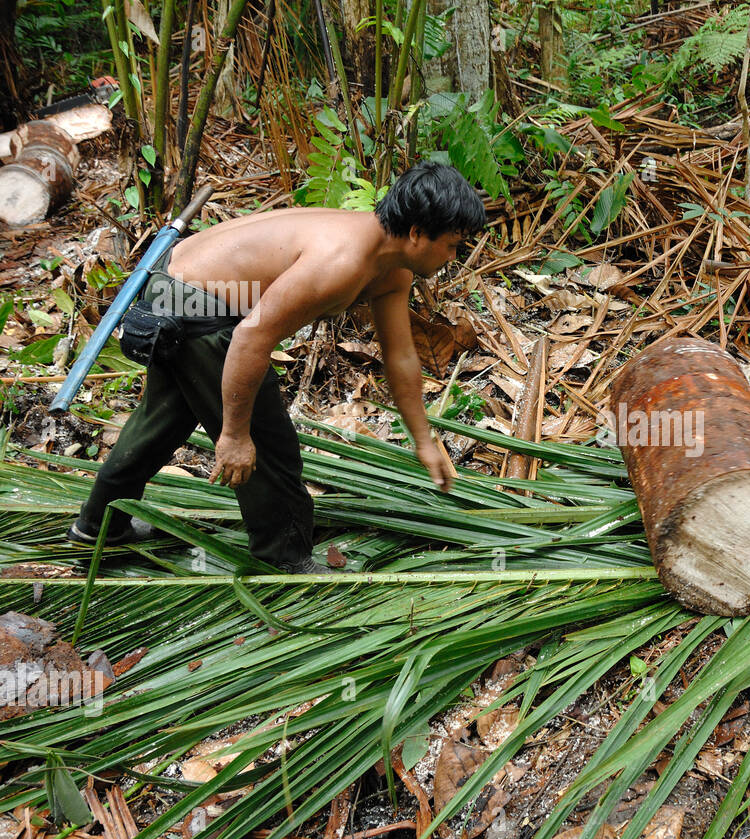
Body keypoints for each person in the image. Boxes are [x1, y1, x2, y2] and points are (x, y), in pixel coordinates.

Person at [66, 160, 487, 572]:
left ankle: (99, 525)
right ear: (416, 233)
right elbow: (253, 338)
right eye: (451, 244)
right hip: (194, 308)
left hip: (175, 290)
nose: (454, 255)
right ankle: (284, 559)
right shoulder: (340, 263)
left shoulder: (390, 264)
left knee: (161, 421)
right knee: (268, 448)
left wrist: (423, 441)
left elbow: (401, 355)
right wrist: (233, 435)